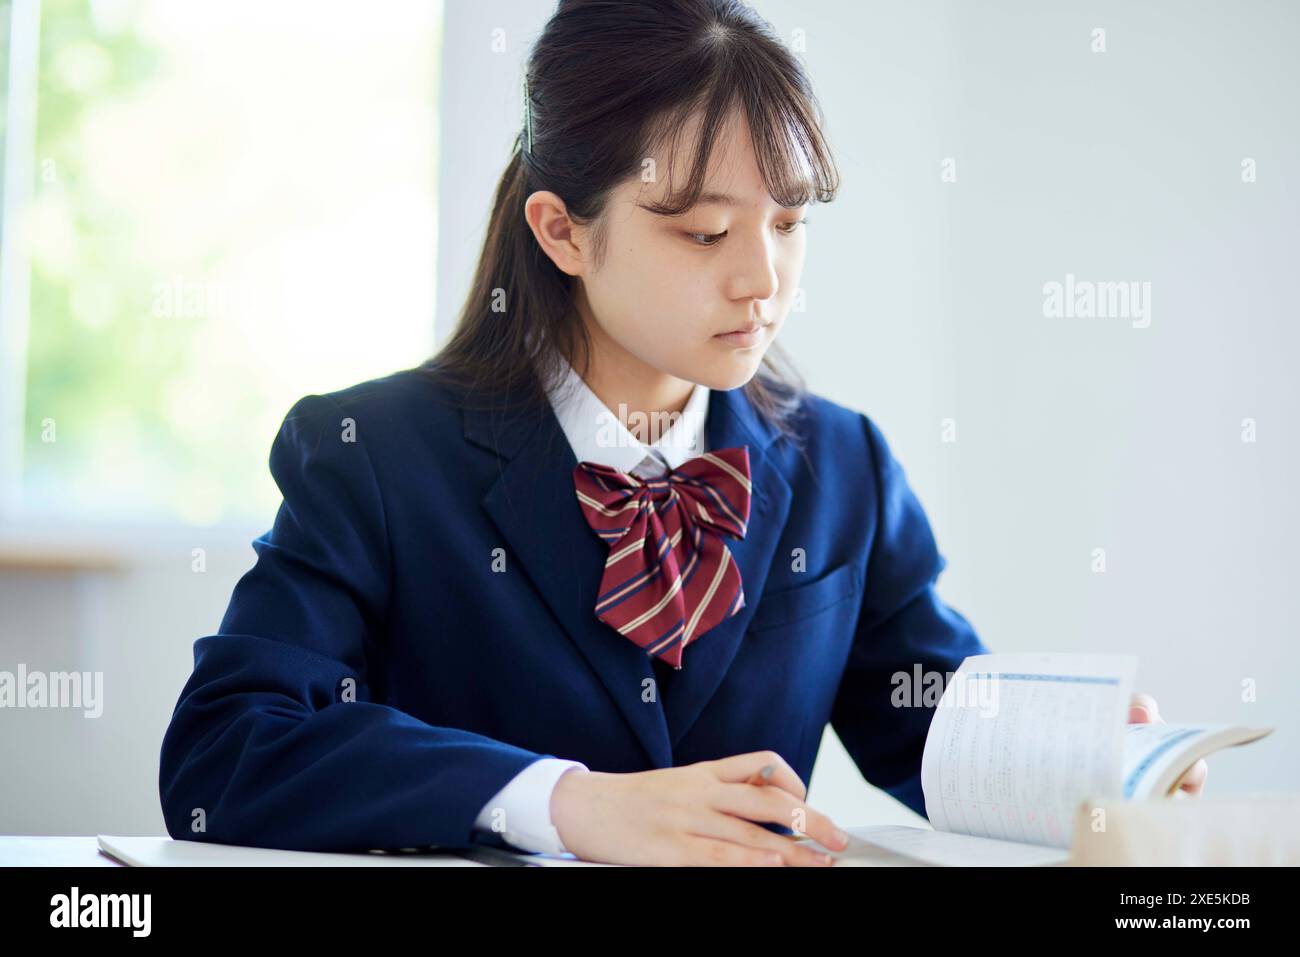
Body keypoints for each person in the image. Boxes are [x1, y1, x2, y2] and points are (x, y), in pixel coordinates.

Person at [158, 0, 1204, 867]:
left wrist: (1094, 766)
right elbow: (226, 749)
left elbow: (927, 724)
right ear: (563, 230)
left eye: (789, 222)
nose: (763, 281)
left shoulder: (842, 466)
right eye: (704, 231)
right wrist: (565, 804)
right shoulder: (372, 454)